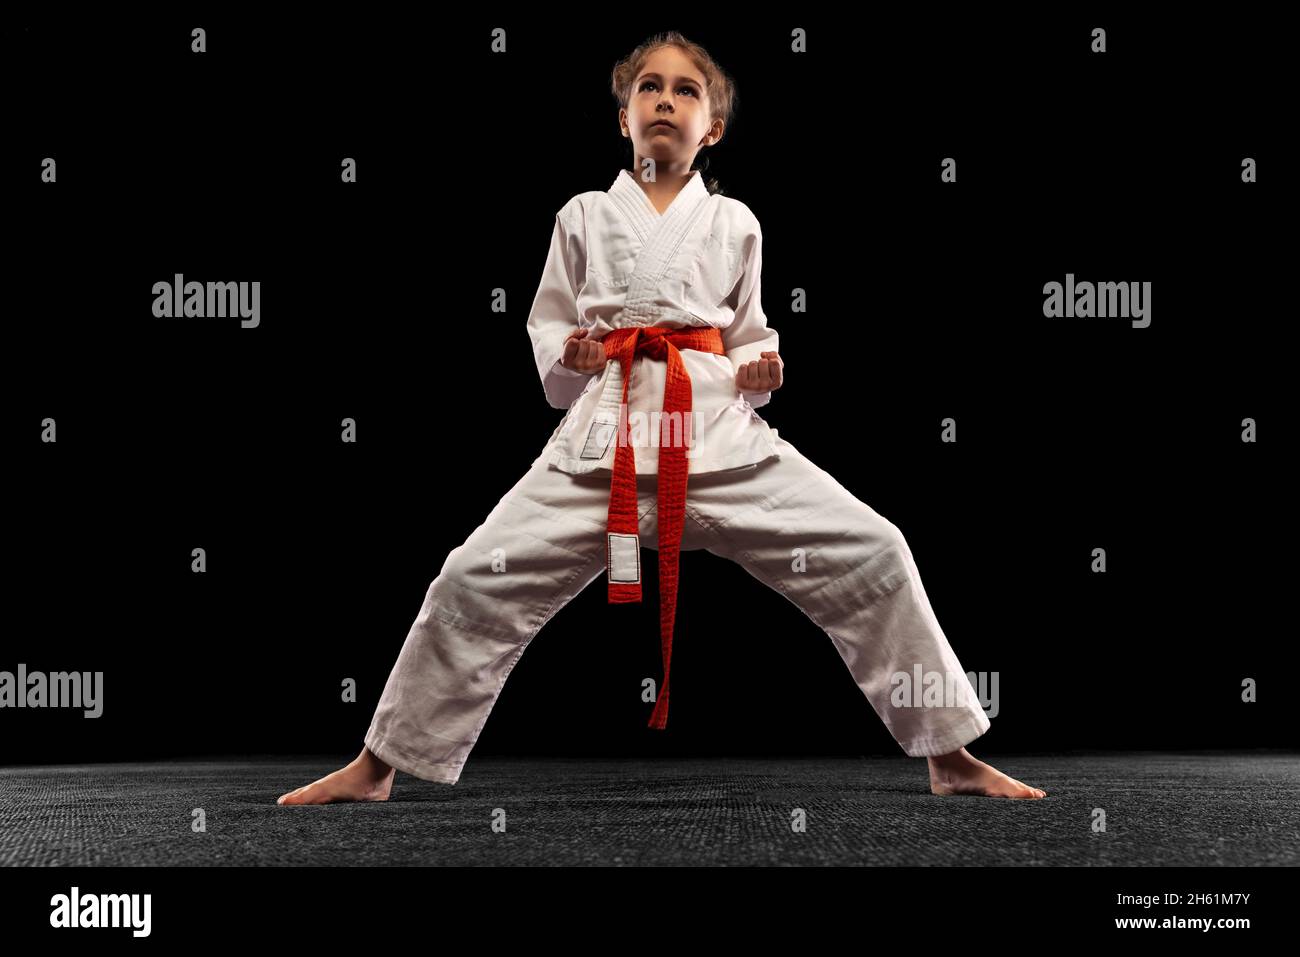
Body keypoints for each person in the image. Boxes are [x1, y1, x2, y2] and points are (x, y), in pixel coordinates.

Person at [278, 32, 1046, 806]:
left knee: (875, 548)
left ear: (712, 128)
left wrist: (759, 368)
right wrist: (570, 355)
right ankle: (377, 764)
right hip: (602, 442)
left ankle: (950, 753)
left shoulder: (735, 222)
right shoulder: (581, 215)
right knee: (469, 577)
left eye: (685, 90)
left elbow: (747, 332)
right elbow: (547, 325)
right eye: (649, 86)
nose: (665, 100)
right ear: (623, 118)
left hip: (715, 437)